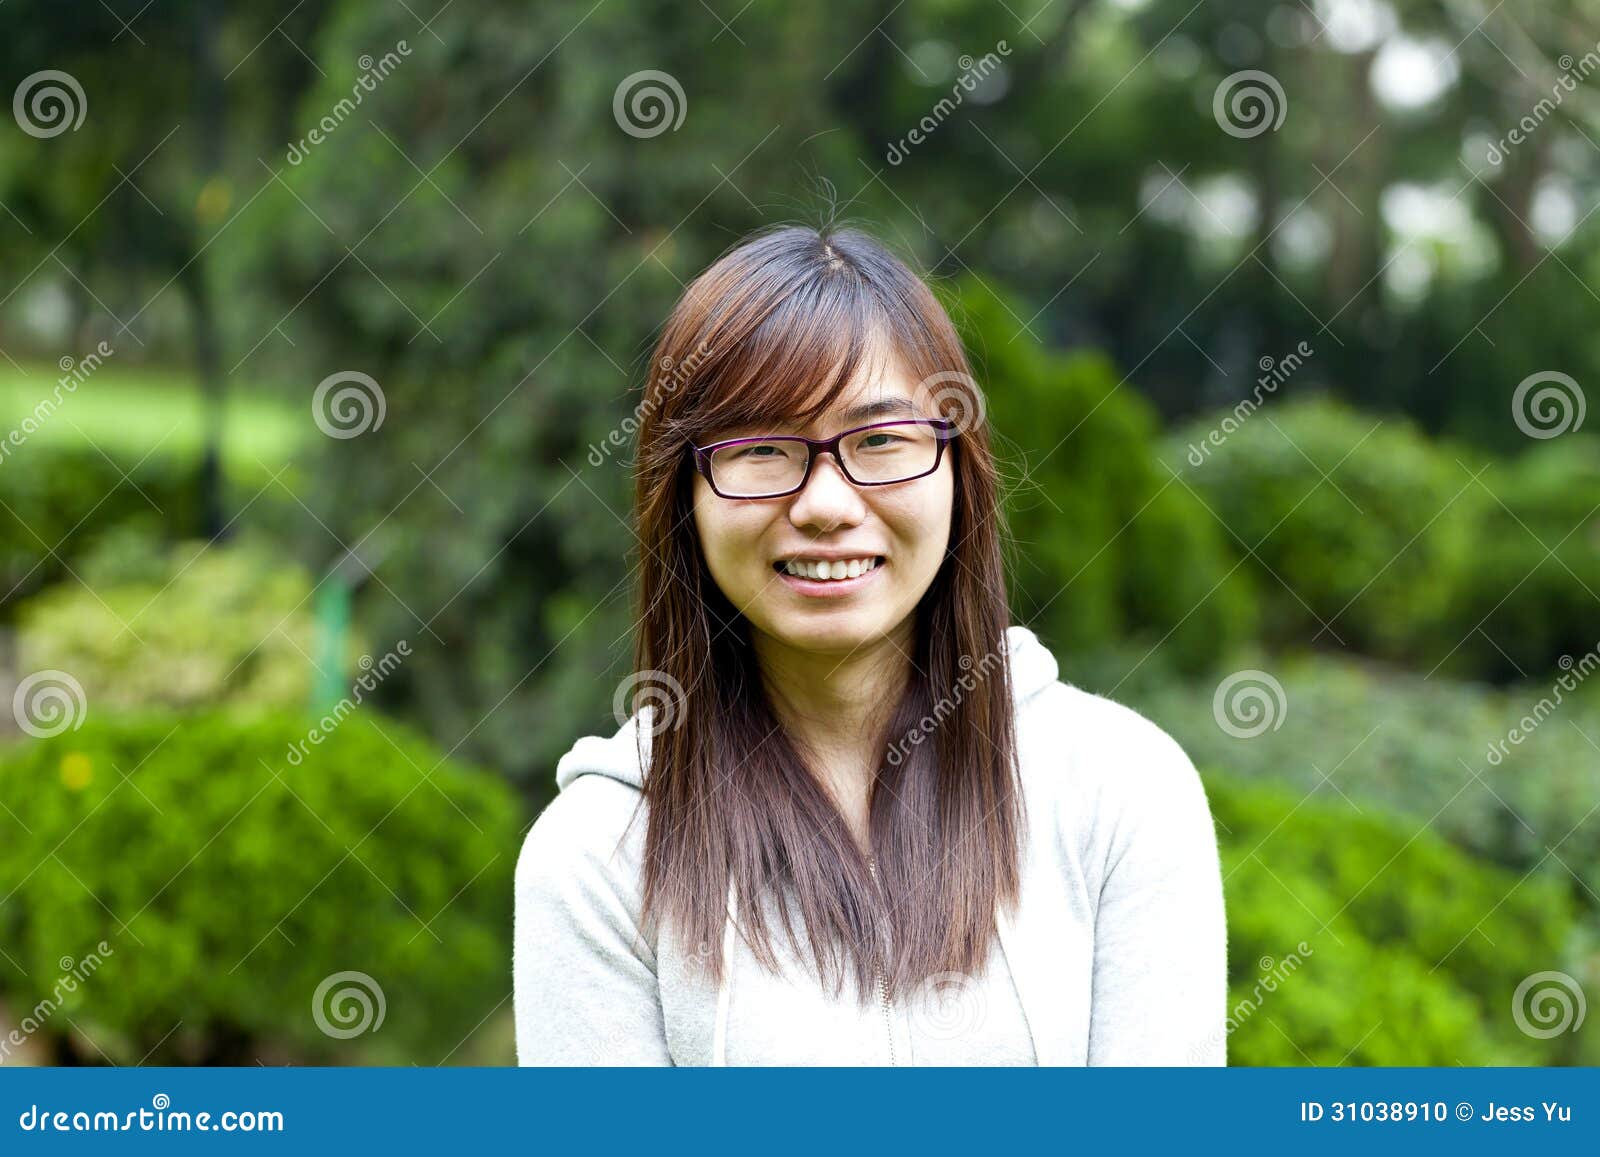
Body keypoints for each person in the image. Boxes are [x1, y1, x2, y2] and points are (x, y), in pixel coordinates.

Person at [513, 223, 1228, 1065]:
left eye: (879, 441)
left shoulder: (1118, 790)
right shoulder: (598, 854)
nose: (825, 502)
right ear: (685, 495)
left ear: (959, 470)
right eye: (760, 447)